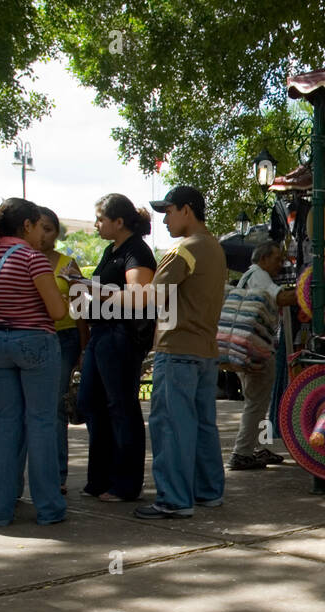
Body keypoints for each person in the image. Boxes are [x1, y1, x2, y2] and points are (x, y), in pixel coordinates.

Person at [0, 198, 69, 526]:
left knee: (6, 424)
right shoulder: (34, 260)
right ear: (26, 226)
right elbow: (57, 312)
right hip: (35, 343)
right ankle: (49, 508)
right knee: (41, 424)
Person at [134, 186, 228, 520]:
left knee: (172, 426)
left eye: (169, 211)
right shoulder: (215, 248)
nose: (165, 220)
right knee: (203, 425)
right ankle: (208, 491)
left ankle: (174, 499)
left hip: (177, 351)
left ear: (186, 210)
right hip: (205, 350)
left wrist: (96, 295)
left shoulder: (183, 251)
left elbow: (150, 299)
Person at [79, 194, 157, 502]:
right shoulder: (110, 250)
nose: (96, 225)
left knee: (121, 406)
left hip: (120, 335)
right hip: (101, 333)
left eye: (100, 219)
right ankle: (101, 478)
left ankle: (125, 483)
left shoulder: (136, 250)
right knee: (91, 402)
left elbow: (140, 297)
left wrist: (94, 291)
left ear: (119, 222)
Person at [228, 241, 296, 470]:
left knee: (257, 401)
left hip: (245, 346)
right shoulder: (259, 276)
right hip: (256, 348)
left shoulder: (250, 276)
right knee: (257, 402)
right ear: (264, 258)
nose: (280, 264)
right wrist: (309, 288)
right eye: (277, 259)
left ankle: (256, 447)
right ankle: (242, 452)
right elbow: (282, 299)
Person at [38, 206, 87, 494]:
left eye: (49, 229)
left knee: (56, 405)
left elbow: (80, 308)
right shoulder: (24, 260)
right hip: (32, 336)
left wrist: (83, 346)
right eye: (39, 227)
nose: (43, 235)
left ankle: (57, 475)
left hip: (64, 337)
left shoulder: (67, 264)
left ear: (56, 233)